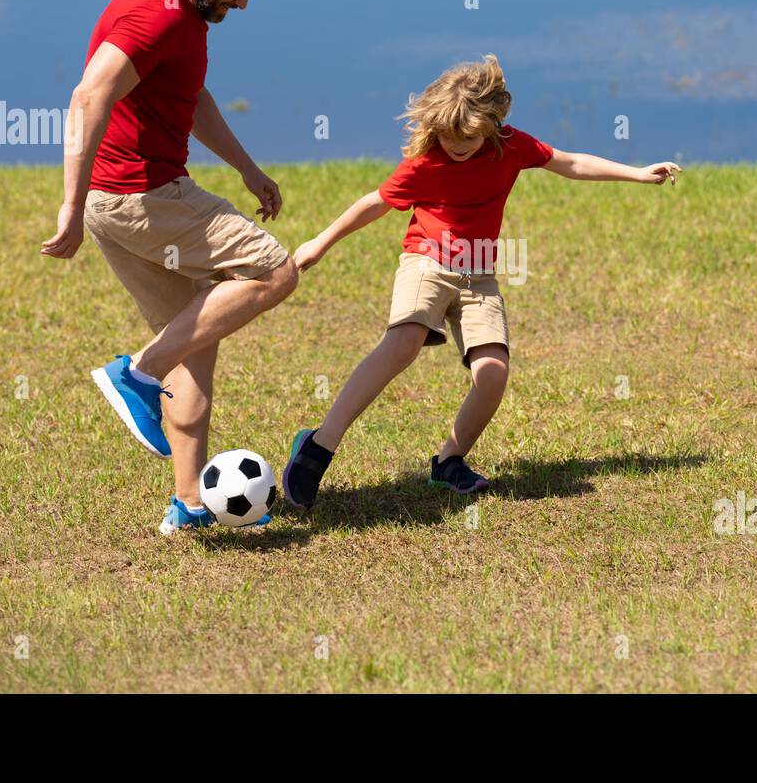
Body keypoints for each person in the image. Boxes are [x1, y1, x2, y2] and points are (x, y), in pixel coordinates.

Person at [283, 54, 680, 509]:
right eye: (448, 136)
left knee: (492, 374)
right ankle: (318, 447)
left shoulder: (511, 146)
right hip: (426, 263)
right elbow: (374, 203)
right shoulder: (427, 162)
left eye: (467, 137)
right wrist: (321, 242)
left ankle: (450, 460)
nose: (456, 146)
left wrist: (637, 173)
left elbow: (569, 163)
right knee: (403, 343)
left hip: (479, 275)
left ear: (492, 122)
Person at [41, 0, 298, 534]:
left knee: (195, 348)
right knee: (275, 271)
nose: (242, 4)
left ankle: (187, 502)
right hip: (142, 198)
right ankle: (136, 373)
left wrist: (245, 167)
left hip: (123, 203)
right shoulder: (155, 13)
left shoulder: (189, 10)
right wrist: (70, 204)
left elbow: (192, 98)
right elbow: (86, 96)